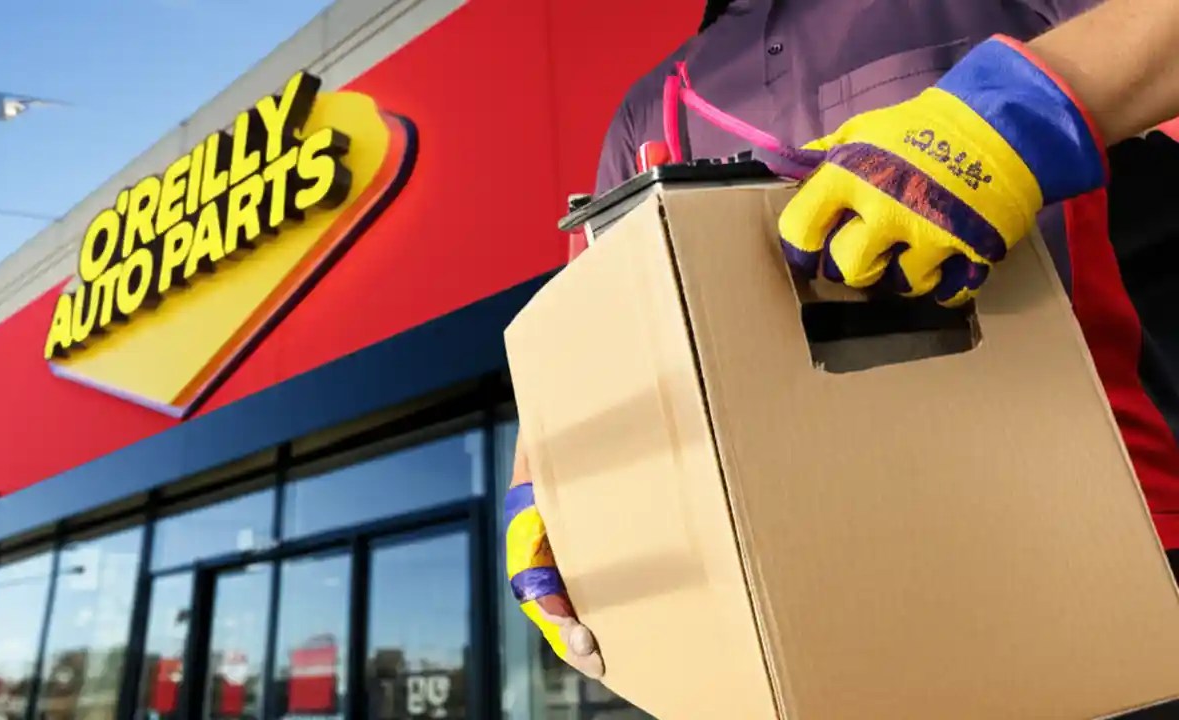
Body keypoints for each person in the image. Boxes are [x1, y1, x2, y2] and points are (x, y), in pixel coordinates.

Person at [505, 0, 1179, 681]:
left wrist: (1012, 113)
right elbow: (593, 334)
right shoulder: (651, 107)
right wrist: (540, 489)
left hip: (1117, 542)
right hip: (811, 602)